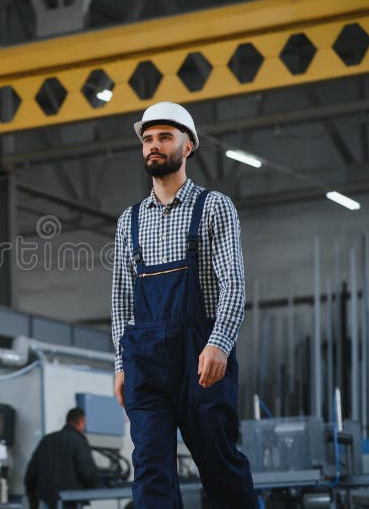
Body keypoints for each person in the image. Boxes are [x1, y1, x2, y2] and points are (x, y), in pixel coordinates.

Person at [111, 101, 256, 508]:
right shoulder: (130, 221)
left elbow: (234, 283)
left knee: (220, 465)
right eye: (148, 139)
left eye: (164, 138)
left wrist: (219, 343)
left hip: (201, 358)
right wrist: (121, 364)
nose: (153, 146)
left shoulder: (214, 207)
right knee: (151, 470)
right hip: (144, 363)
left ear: (188, 146)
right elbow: (122, 298)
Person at [24, 407, 99, 509]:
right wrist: (96, 485)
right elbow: (88, 474)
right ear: (81, 422)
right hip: (70, 502)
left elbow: (30, 476)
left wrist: (33, 503)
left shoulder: (47, 440)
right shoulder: (78, 441)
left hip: (46, 501)